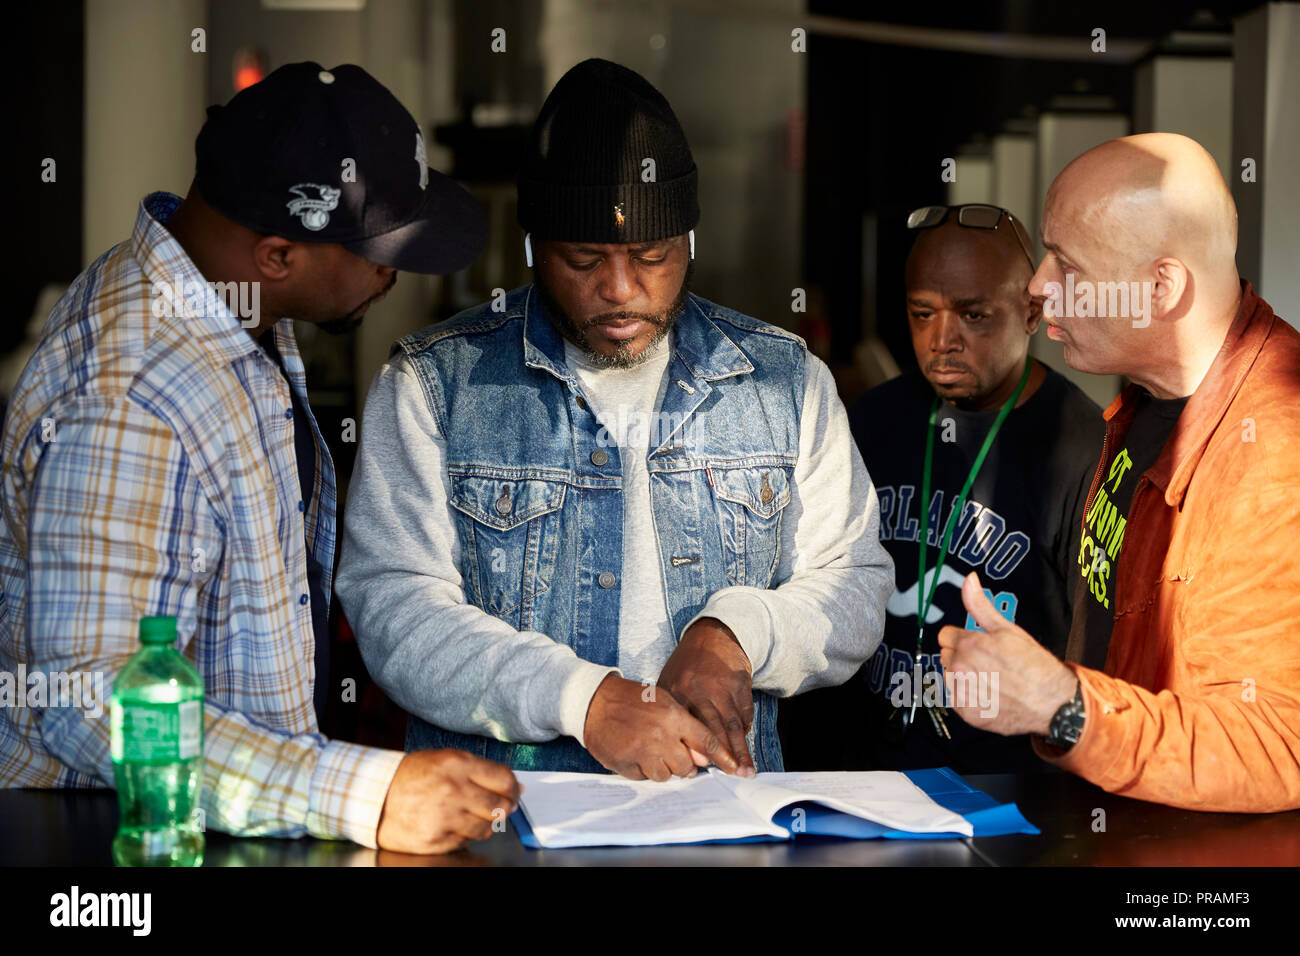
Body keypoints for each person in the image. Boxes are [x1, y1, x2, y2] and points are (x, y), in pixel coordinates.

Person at [0, 62, 521, 855]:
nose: (395, 274)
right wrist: (362, 796)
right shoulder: (130, 400)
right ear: (276, 255)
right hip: (124, 845)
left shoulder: (227, 301)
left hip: (236, 826)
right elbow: (91, 700)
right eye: (380, 253)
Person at [336, 58, 894, 781]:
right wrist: (583, 701)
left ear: (689, 241)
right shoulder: (434, 386)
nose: (621, 289)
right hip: (506, 820)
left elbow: (853, 584)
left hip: (719, 822)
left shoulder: (785, 383)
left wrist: (737, 633)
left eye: (651, 256)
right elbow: (396, 611)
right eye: (585, 259)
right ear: (533, 246)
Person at [939, 132, 1300, 811]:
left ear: (1161, 288)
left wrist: (1066, 709)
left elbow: (1279, 743)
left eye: (1068, 266)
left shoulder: (1275, 450)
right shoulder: (1148, 397)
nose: (1039, 286)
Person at [780, 205, 1102, 774]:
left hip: (1009, 791)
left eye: (974, 316)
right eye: (922, 313)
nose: (942, 340)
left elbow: (1095, 663)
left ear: (1031, 311)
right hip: (865, 779)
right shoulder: (872, 420)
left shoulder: (1082, 445)